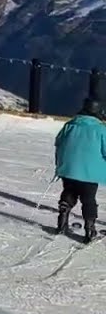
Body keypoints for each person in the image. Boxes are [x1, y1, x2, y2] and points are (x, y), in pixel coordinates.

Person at [54, 98, 106, 243]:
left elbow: (58, 143)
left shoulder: (70, 125)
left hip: (68, 168)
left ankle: (63, 218)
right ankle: (90, 230)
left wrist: (60, 164)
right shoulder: (101, 129)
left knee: (69, 191)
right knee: (88, 199)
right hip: (89, 172)